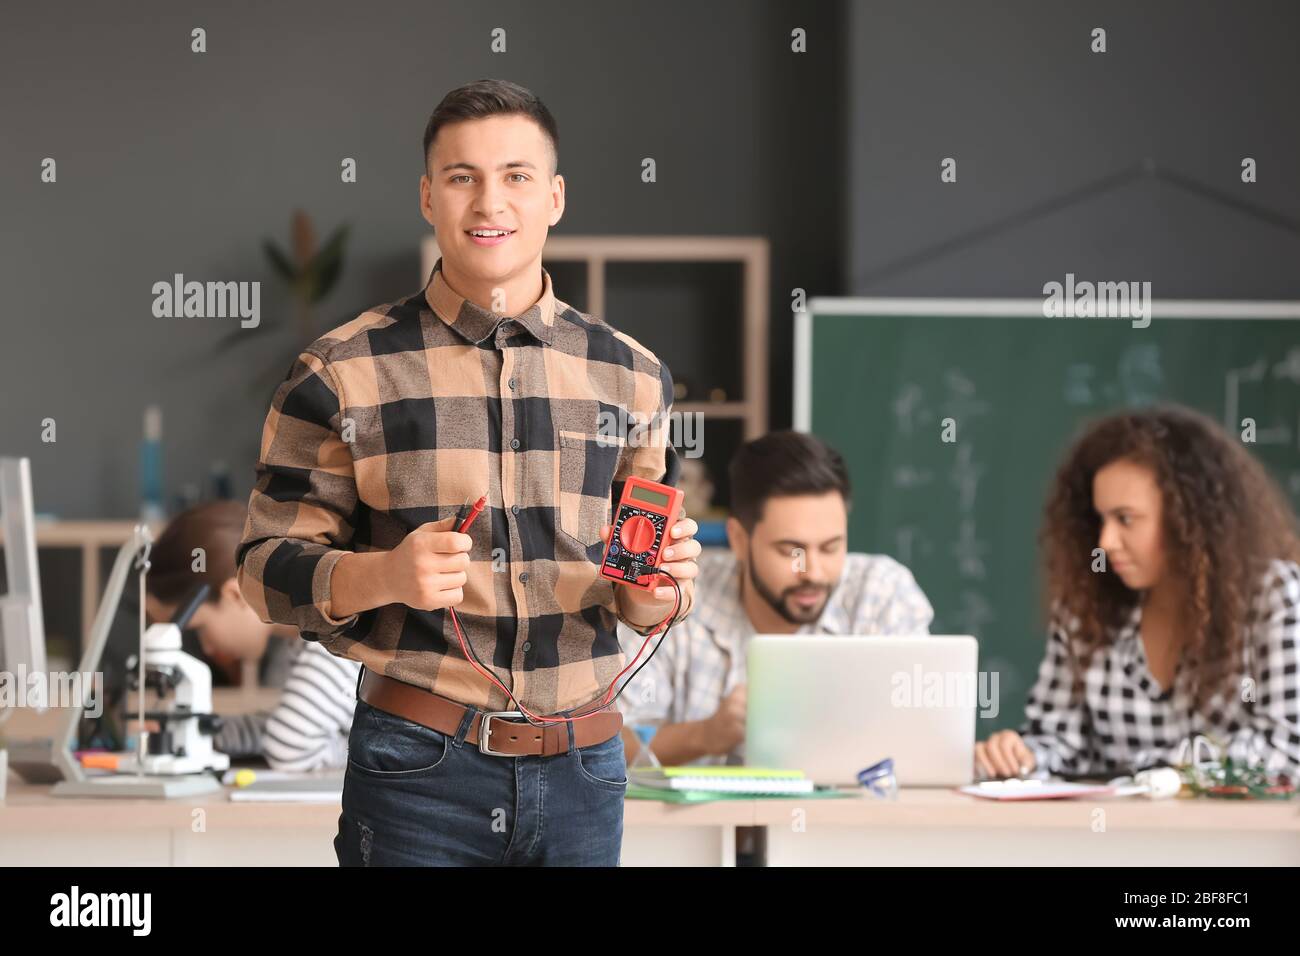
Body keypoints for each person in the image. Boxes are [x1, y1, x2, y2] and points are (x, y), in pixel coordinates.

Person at [236, 79, 701, 866]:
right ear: (428, 196)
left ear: (554, 197)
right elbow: (261, 572)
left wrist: (658, 595)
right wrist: (385, 574)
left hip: (586, 774)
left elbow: (641, 587)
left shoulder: (632, 377)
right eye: (463, 177)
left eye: (517, 176)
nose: (490, 202)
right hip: (417, 772)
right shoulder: (341, 371)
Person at [976, 405, 1300, 780]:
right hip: (1116, 819)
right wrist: (1021, 756)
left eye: (1125, 519)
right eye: (1100, 519)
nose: (1105, 542)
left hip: (1227, 823)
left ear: (1188, 517)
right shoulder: (1085, 606)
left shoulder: (1272, 596)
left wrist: (1152, 768)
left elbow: (1287, 749)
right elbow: (1062, 740)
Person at [618, 430, 934, 766]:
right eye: (791, 551)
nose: (813, 572)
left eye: (830, 548)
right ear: (739, 540)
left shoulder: (881, 593)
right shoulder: (677, 595)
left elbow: (927, 733)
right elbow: (615, 742)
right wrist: (705, 735)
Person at [143, 501, 359, 771]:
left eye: (198, 631)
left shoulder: (332, 644)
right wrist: (194, 732)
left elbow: (289, 748)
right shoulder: (302, 640)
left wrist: (363, 755)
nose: (206, 649)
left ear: (235, 595)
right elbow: (283, 729)